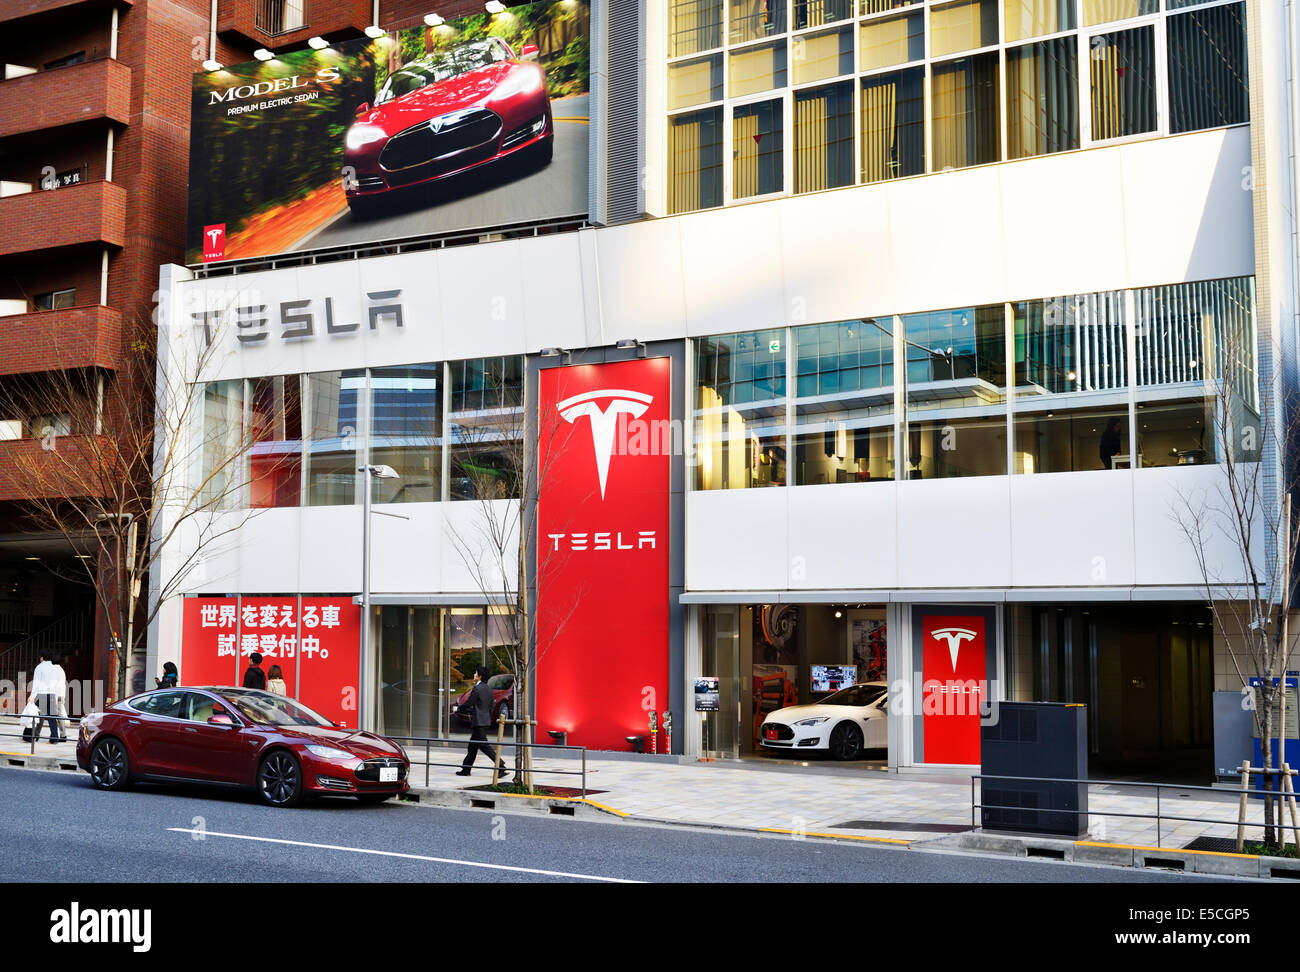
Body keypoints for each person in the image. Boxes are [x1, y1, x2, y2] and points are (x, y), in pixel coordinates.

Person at [456, 666, 499, 777]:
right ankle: (466, 769)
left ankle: (501, 766)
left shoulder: (477, 688)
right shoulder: (489, 689)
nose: (474, 674)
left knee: (484, 746)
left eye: (476, 673)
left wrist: (459, 708)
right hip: (485, 721)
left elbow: (470, 702)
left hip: (479, 722)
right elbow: (489, 706)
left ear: (480, 676)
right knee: (472, 747)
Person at [30, 650, 67, 743]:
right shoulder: (54, 668)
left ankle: (30, 736)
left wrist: (32, 696)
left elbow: (36, 683)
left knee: (36, 715)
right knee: (52, 718)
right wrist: (55, 696)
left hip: (41, 693)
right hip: (52, 694)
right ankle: (54, 738)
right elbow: (57, 684)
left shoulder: (39, 667)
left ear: (42, 658)